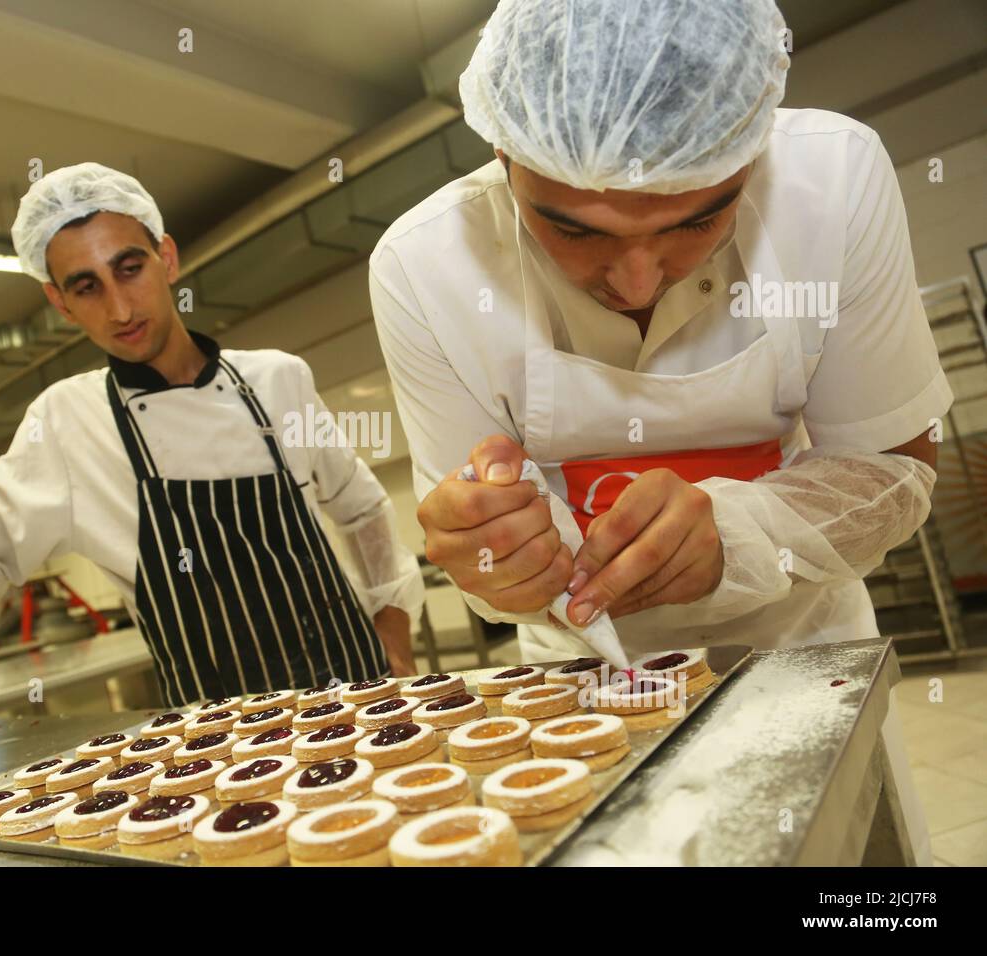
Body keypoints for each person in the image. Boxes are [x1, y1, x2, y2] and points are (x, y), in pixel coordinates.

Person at [370, 0, 945, 862]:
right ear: (501, 154)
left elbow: (896, 468)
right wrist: (497, 555)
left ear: (753, 153)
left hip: (803, 647)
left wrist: (741, 533)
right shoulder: (425, 268)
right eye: (570, 228)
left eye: (697, 221)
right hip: (582, 684)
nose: (637, 284)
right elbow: (478, 549)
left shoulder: (832, 182)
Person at [0, 163, 424, 809]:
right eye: (86, 287)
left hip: (367, 718)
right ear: (58, 302)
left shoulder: (278, 381)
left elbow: (361, 506)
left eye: (130, 268)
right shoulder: (68, 423)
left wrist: (394, 640)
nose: (119, 309)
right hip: (224, 764)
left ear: (166, 257)